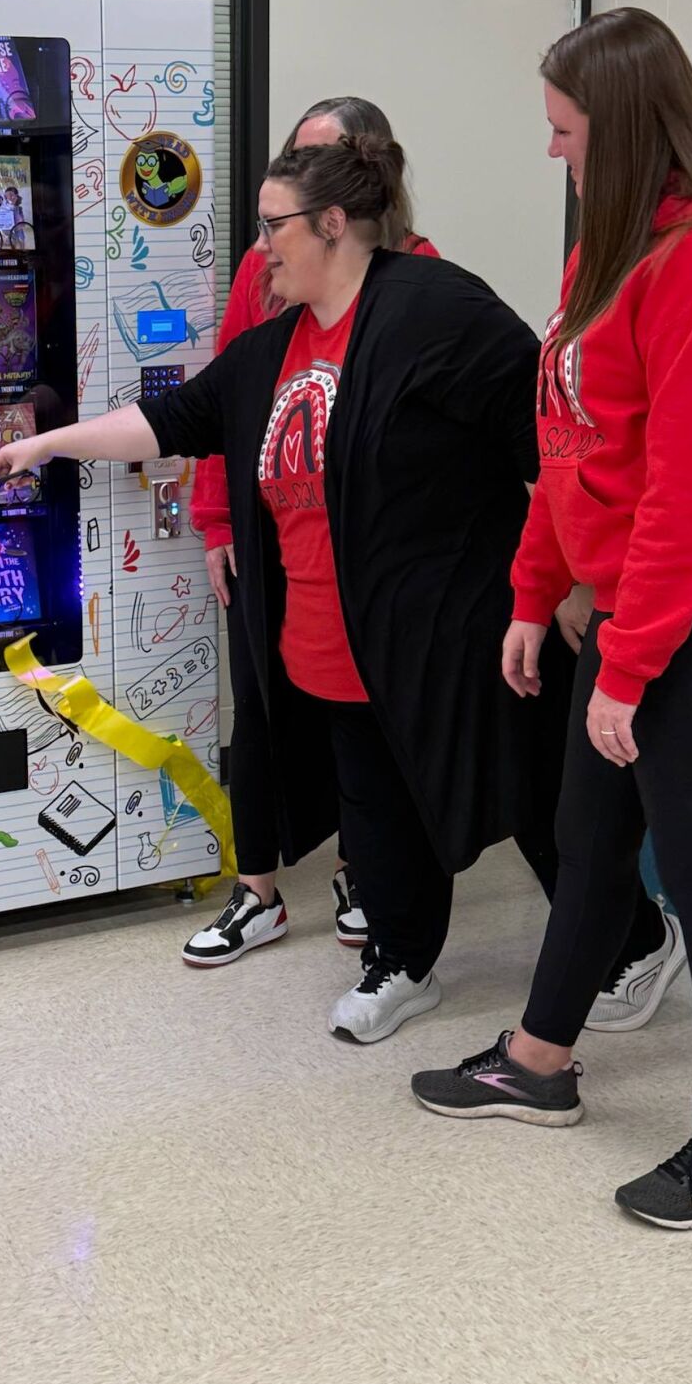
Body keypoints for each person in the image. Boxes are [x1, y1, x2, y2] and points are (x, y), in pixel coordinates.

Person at [0, 135, 672, 1044]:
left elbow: (549, 439)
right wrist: (46, 444)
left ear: (335, 224)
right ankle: (401, 959)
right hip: (326, 641)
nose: (261, 249)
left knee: (525, 797)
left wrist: (572, 578)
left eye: (275, 227)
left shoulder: (437, 311)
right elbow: (171, 419)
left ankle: (635, 939)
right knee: (378, 813)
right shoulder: (272, 349)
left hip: (453, 630)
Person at [410, 7, 692, 1230]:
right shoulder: (604, 250)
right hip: (624, 612)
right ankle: (540, 1059)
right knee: (584, 836)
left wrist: (626, 664)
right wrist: (531, 590)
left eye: (561, 130)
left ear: (618, 131)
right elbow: (569, 448)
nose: (550, 151)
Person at [189, 96, 442, 961]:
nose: (298, 184)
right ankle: (256, 887)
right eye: (295, 158)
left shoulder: (418, 278)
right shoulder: (264, 270)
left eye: (321, 164)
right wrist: (216, 515)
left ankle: (363, 874)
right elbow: (216, 401)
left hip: (365, 552)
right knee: (261, 708)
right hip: (270, 534)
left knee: (365, 717)